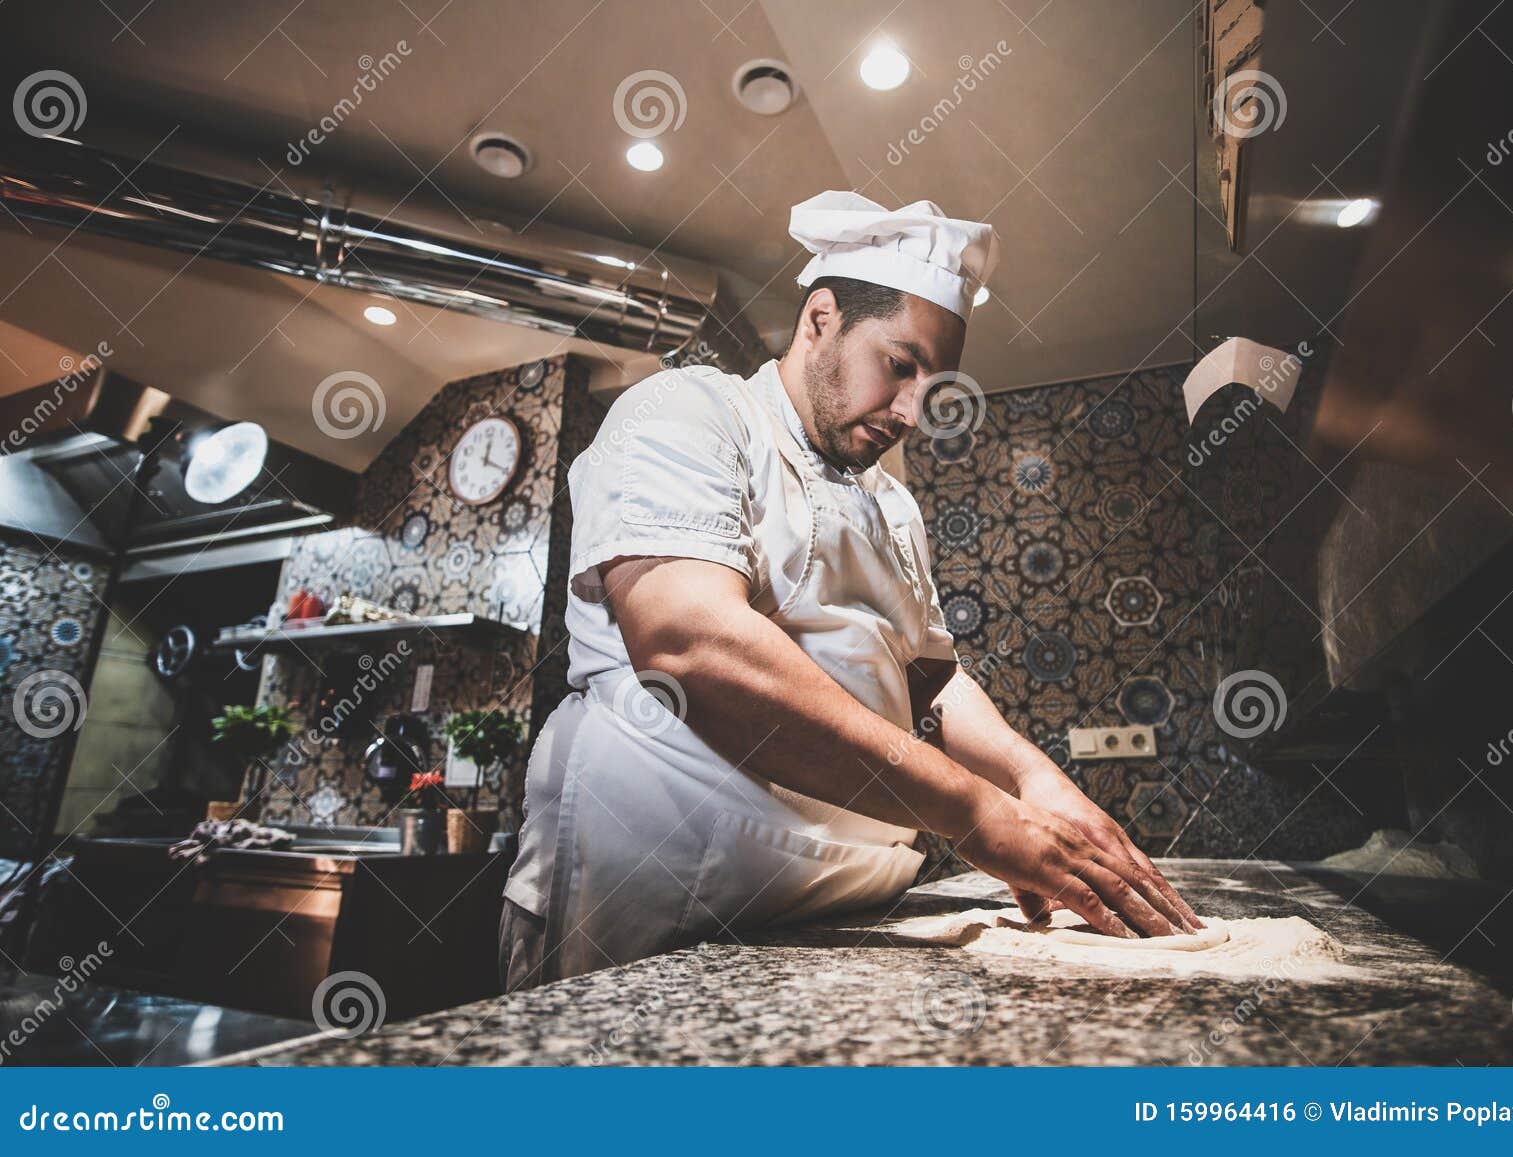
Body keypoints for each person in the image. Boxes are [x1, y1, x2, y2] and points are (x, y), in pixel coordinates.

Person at [500, 190, 1202, 988]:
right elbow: (690, 643)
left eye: (931, 383)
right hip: (656, 898)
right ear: (820, 318)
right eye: (899, 365)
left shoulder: (893, 506)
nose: (912, 411)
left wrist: (1034, 780)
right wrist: (979, 815)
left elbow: (932, 680)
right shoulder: (688, 410)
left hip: (846, 910)